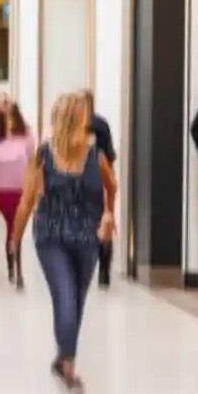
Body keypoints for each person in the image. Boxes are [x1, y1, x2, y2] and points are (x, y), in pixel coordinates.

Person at [11, 93, 117, 394]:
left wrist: (108, 214)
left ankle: (62, 357)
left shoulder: (96, 155)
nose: (89, 124)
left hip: (87, 240)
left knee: (77, 304)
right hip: (52, 237)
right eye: (83, 118)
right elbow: (27, 201)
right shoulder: (44, 157)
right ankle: (69, 369)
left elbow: (111, 187)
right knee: (65, 298)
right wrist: (13, 243)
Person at [0, 102, 36, 289]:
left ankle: (17, 269)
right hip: (1, 191)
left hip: (20, 191)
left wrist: (34, 191)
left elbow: (32, 164)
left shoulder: (26, 136)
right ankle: (12, 266)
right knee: (11, 229)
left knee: (15, 230)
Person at [81, 90, 117, 287]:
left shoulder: (74, 126)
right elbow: (110, 156)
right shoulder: (102, 125)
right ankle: (104, 271)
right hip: (100, 180)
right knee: (105, 223)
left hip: (80, 182)